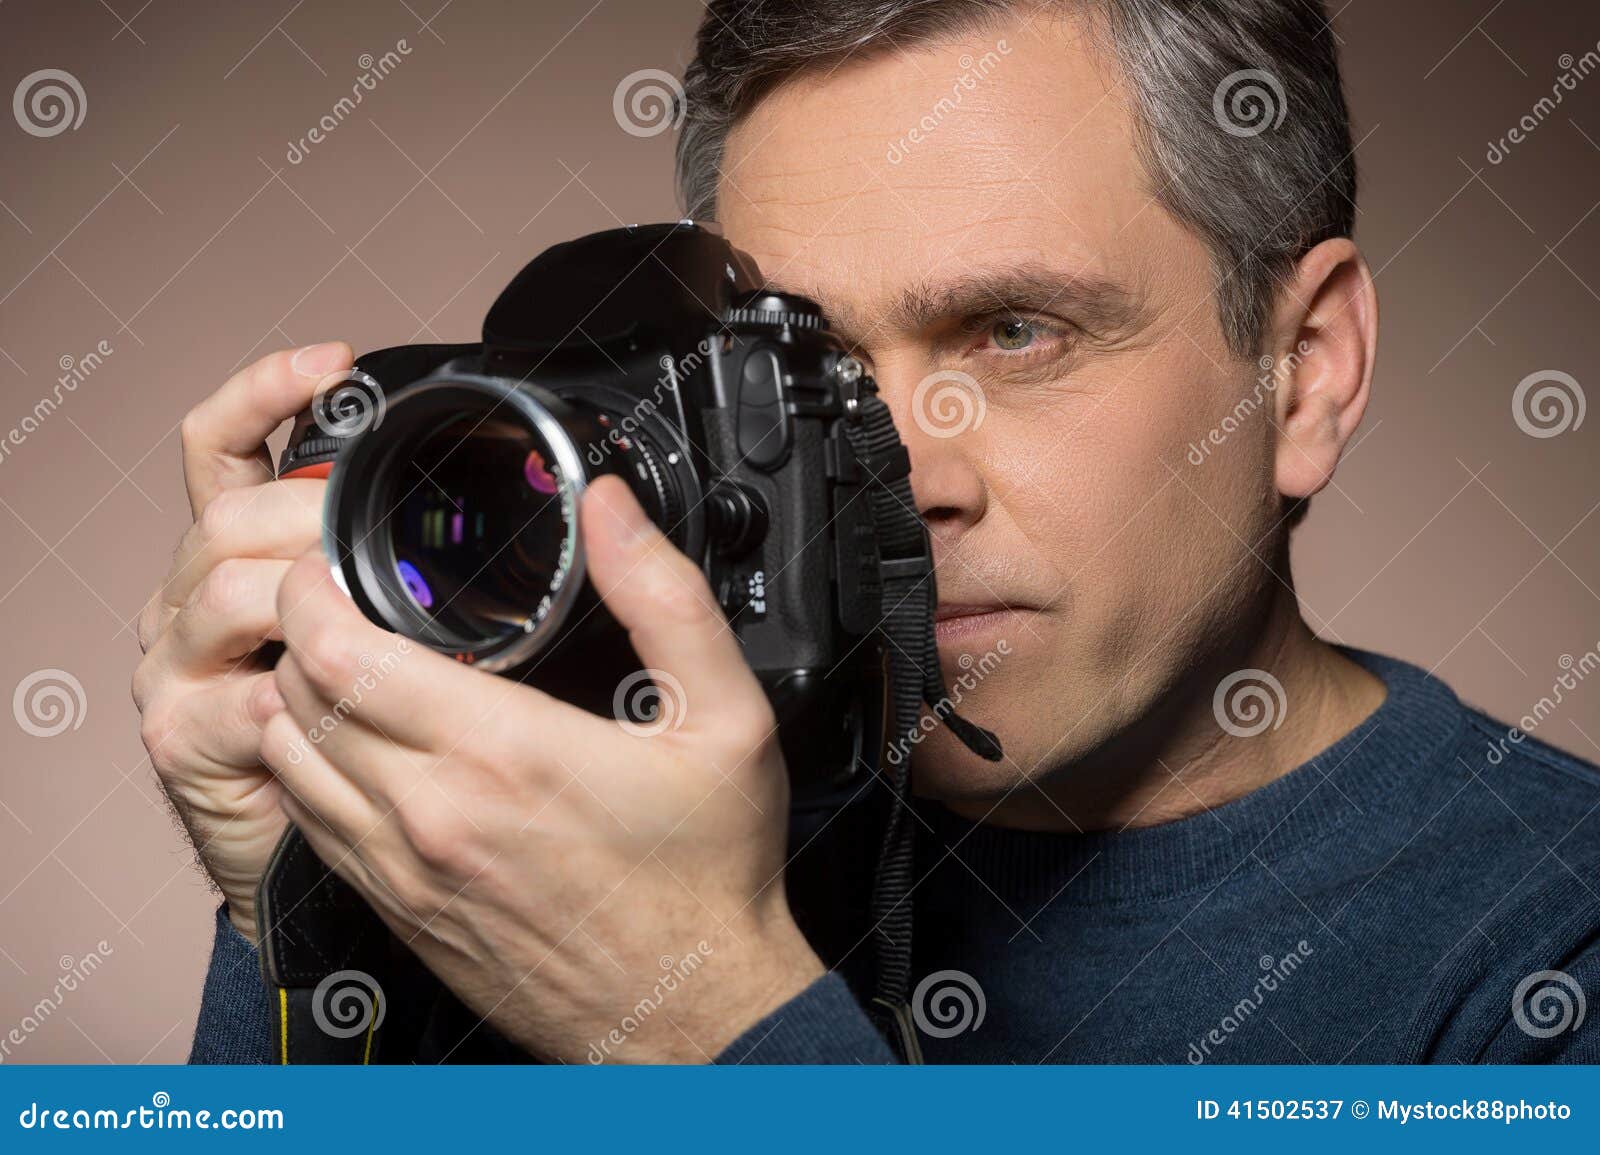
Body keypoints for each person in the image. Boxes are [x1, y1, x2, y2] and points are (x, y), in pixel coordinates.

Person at [134, 0, 1600, 1064]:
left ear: (1308, 374)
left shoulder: (1544, 954)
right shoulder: (565, 840)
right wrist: (313, 905)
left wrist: (709, 1015)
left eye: (1016, 332)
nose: (902, 479)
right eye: (811, 373)